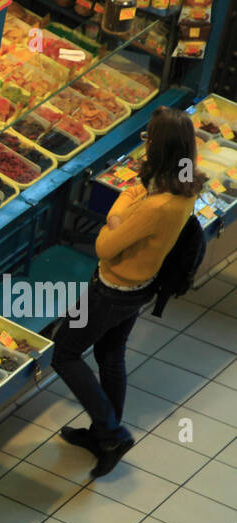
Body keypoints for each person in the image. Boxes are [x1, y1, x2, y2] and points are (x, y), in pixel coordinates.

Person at [52, 106, 198, 478]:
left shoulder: (158, 205)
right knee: (110, 354)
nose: (144, 143)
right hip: (138, 288)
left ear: (161, 148)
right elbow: (130, 192)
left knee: (65, 352)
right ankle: (103, 436)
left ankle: (113, 433)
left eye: (149, 138)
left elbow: (104, 247)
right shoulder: (181, 186)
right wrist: (119, 217)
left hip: (111, 290)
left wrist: (114, 223)